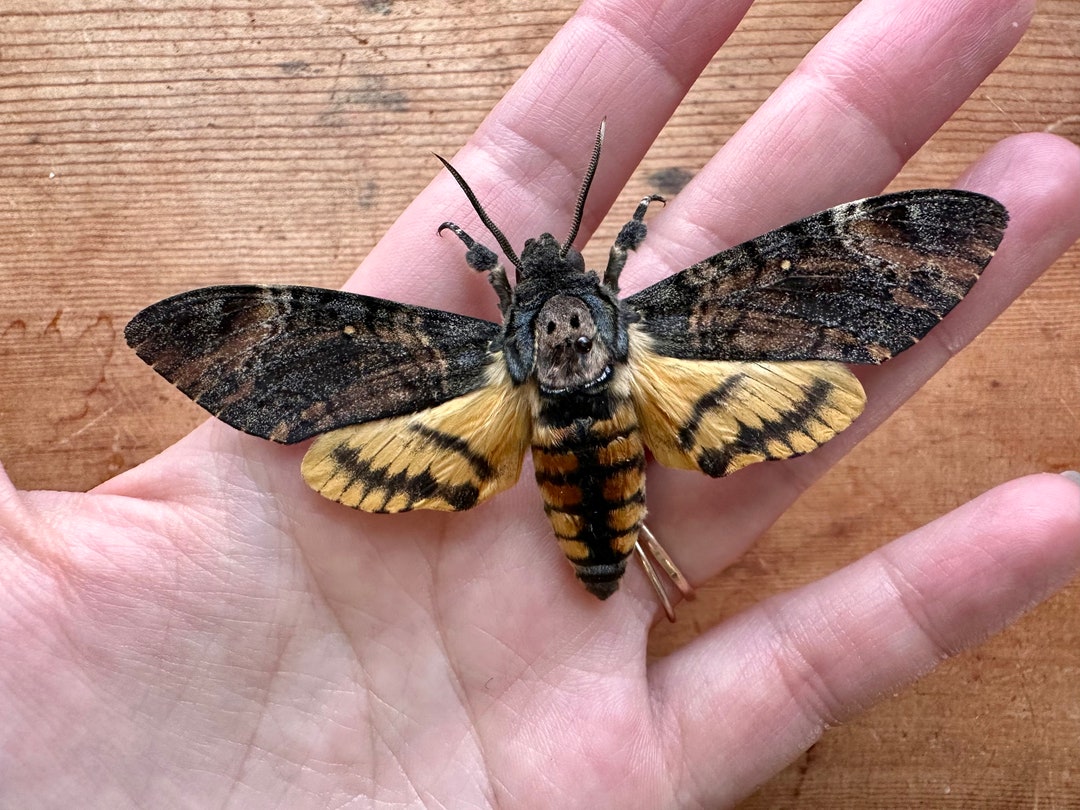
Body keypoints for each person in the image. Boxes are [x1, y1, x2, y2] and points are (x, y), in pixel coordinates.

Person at [2, 0, 1079, 805]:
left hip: (483, 419)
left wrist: (480, 259)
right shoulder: (629, 290)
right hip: (672, 386)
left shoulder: (497, 311)